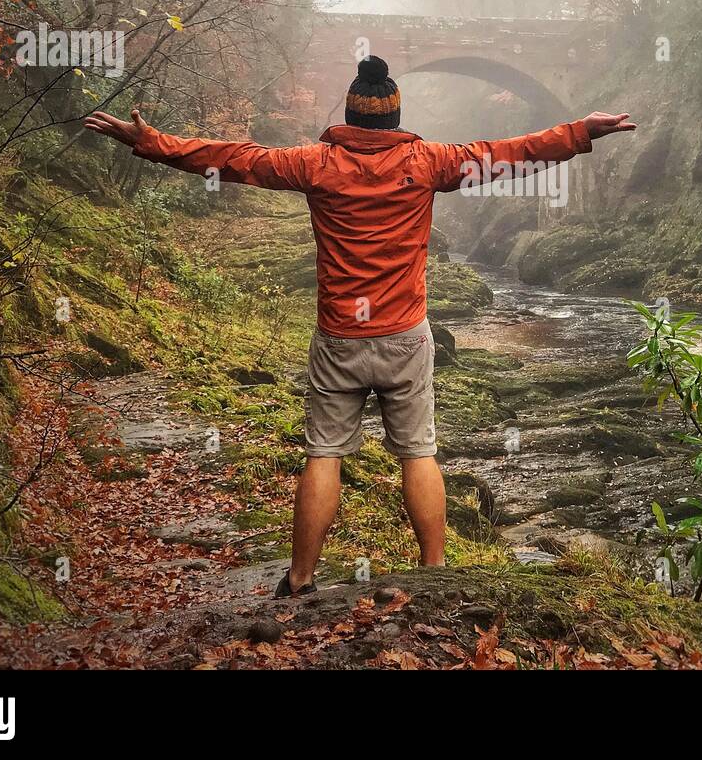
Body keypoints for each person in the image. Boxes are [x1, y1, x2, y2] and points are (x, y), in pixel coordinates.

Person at [84, 55, 636, 596]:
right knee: (418, 452)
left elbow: (235, 159)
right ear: (395, 118)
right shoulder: (430, 161)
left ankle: (300, 579)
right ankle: (437, 575)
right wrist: (581, 130)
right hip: (405, 336)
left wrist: (152, 143)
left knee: (323, 453)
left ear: (350, 117)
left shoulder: (314, 164)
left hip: (339, 338)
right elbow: (510, 155)